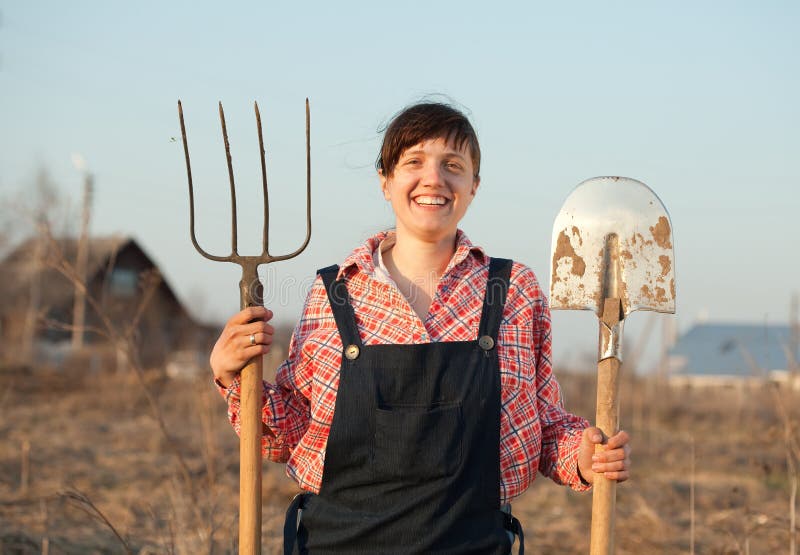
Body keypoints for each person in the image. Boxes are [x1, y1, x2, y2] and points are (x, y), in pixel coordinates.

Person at [210, 101, 631, 554]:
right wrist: (232, 376)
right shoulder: (334, 292)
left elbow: (545, 427)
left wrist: (584, 457)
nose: (434, 178)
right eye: (413, 162)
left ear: (474, 186)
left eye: (453, 165)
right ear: (385, 182)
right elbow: (291, 431)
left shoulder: (513, 292)